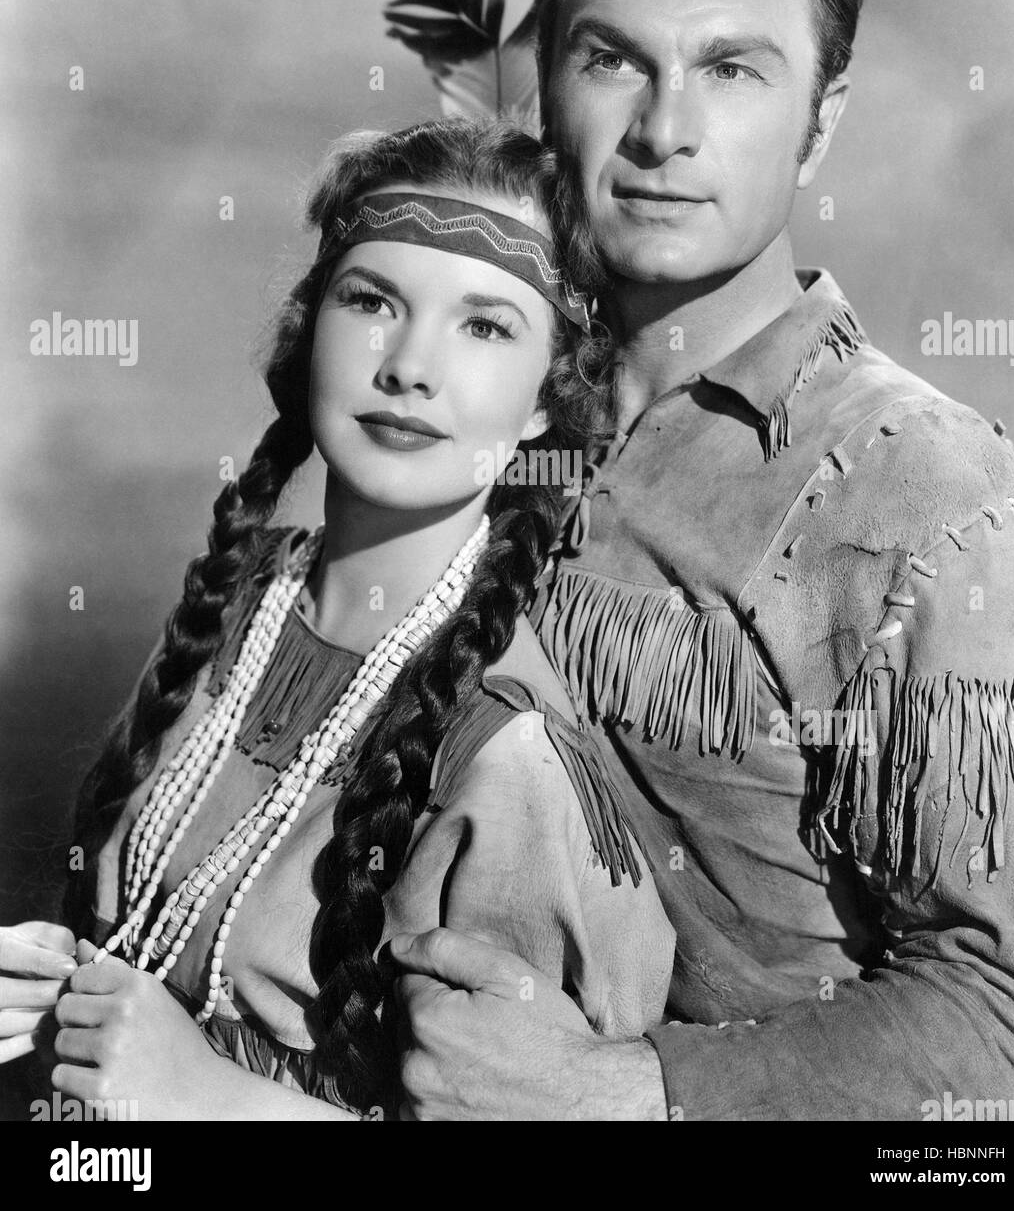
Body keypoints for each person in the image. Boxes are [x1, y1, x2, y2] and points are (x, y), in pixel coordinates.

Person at [390, 0, 1014, 1120]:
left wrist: (617, 1096)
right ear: (543, 86)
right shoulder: (459, 403)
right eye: (611, 59)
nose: (663, 130)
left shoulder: (933, 502)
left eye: (730, 69)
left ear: (820, 122)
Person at [0, 117, 674, 1119]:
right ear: (314, 322)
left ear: (544, 401)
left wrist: (214, 1098)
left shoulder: (505, 763)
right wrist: (52, 981)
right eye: (371, 301)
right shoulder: (234, 611)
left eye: (483, 325)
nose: (407, 364)